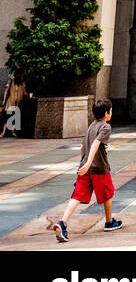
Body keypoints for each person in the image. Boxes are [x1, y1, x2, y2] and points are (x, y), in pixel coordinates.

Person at [51, 98, 122, 242]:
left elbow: (83, 146)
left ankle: (62, 222)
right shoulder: (105, 127)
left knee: (77, 195)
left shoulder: (91, 126)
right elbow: (96, 143)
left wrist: (84, 163)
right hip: (98, 168)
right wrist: (90, 162)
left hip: (85, 168)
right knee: (108, 193)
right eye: (111, 111)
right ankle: (109, 222)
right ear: (107, 113)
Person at [0, 73, 28, 138]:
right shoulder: (11, 81)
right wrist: (4, 100)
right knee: (8, 117)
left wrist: (29, 95)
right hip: (10, 102)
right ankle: (3, 132)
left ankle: (13, 132)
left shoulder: (22, 83)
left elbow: (24, 92)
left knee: (16, 118)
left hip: (18, 103)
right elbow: (6, 91)